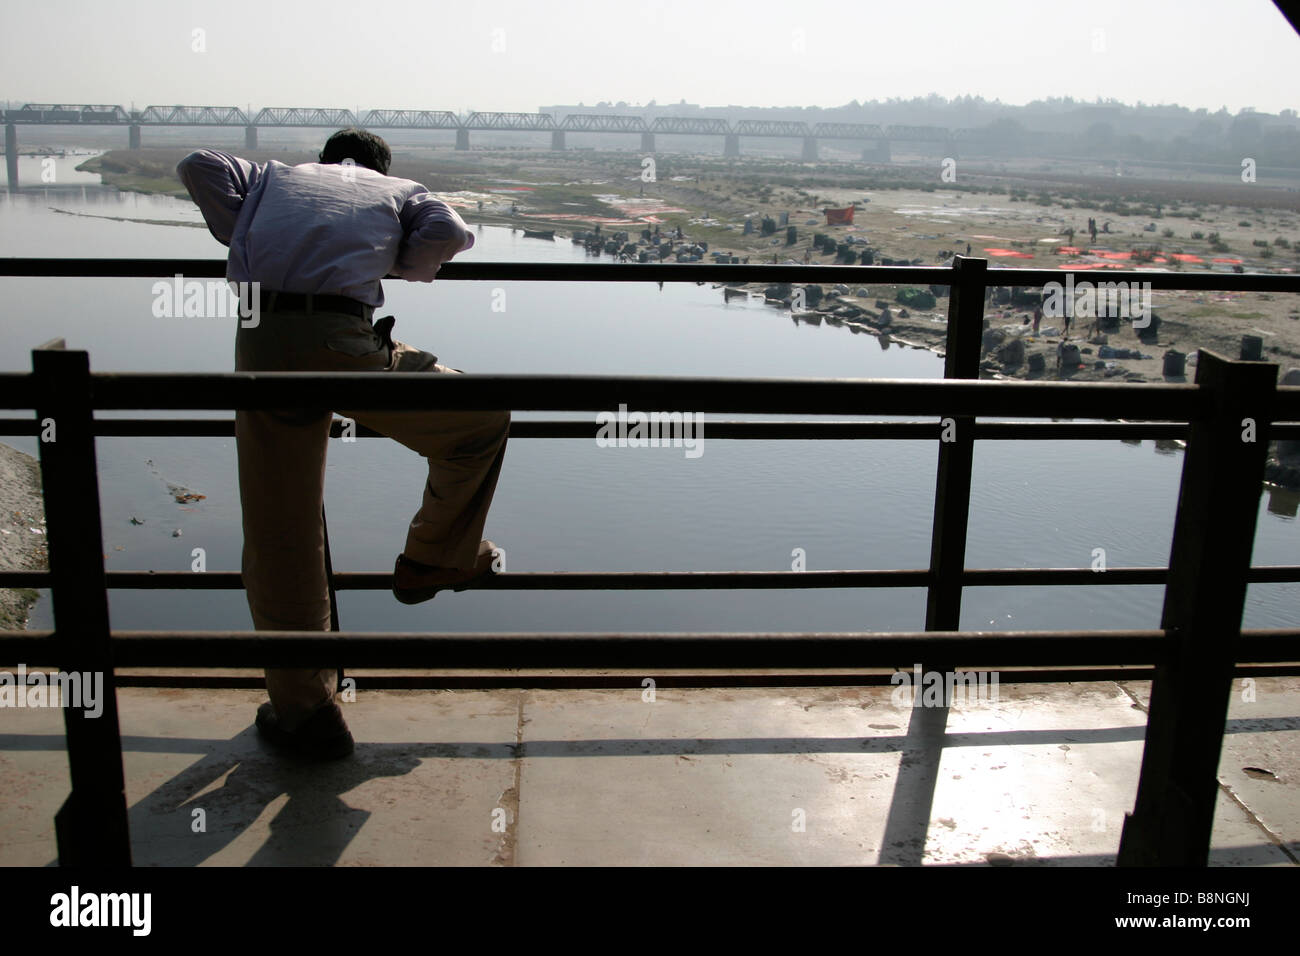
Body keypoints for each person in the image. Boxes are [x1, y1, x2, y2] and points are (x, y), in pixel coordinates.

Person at [177, 129, 510, 760]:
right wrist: (391, 259)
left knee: (281, 529)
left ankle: (308, 716)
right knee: (478, 419)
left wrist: (240, 231)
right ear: (381, 168)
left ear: (327, 162)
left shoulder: (271, 175)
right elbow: (450, 235)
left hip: (263, 345)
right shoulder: (401, 190)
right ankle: (432, 558)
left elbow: (199, 163)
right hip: (342, 343)